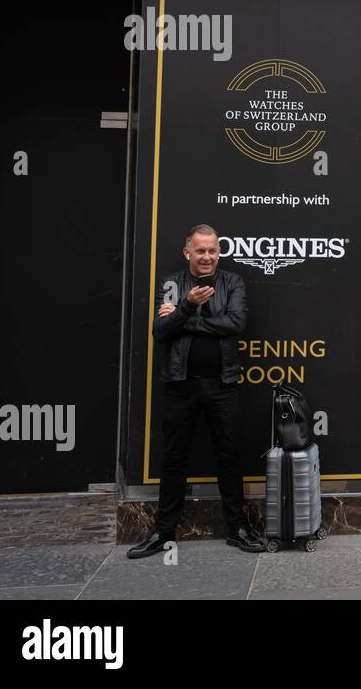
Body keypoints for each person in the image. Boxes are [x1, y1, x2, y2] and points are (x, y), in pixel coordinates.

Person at [127, 225, 265, 558]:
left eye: (213, 250)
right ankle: (162, 532)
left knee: (230, 458)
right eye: (200, 251)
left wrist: (182, 317)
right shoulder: (173, 284)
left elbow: (235, 325)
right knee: (174, 460)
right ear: (186, 251)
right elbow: (160, 331)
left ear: (219, 252)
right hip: (181, 384)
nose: (207, 257)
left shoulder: (232, 282)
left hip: (223, 384)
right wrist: (187, 303)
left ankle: (238, 529)